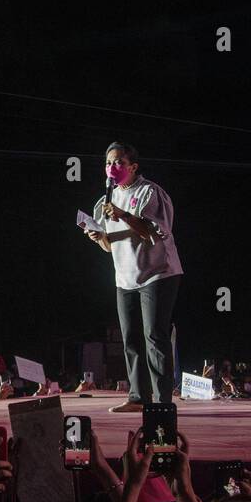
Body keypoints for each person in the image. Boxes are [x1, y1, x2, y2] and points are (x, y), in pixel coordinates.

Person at [84, 141, 183, 412]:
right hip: (125, 277)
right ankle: (139, 397)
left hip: (158, 273)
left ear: (133, 166)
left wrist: (123, 215)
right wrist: (98, 237)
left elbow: (154, 232)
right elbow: (109, 246)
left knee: (155, 336)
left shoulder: (150, 192)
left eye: (118, 162)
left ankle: (162, 401)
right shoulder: (105, 200)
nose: (112, 167)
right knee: (130, 338)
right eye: (108, 163)